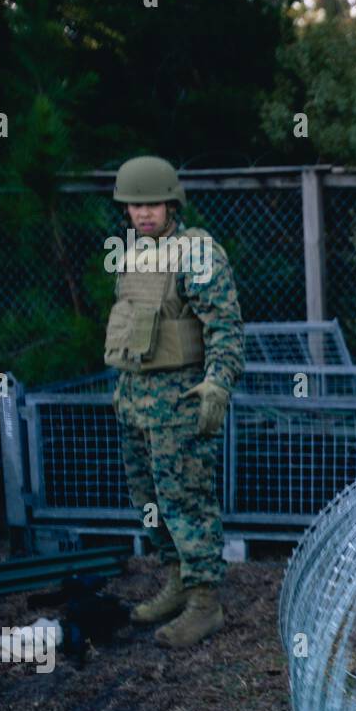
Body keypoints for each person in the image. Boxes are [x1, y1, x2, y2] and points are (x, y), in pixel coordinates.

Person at [104, 155, 244, 648]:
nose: (143, 213)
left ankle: (206, 604)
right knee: (149, 502)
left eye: (152, 203)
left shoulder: (198, 252)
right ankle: (178, 581)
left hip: (180, 401)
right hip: (135, 401)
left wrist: (218, 382)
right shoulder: (130, 253)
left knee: (186, 501)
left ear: (171, 203)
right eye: (134, 205)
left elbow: (225, 326)